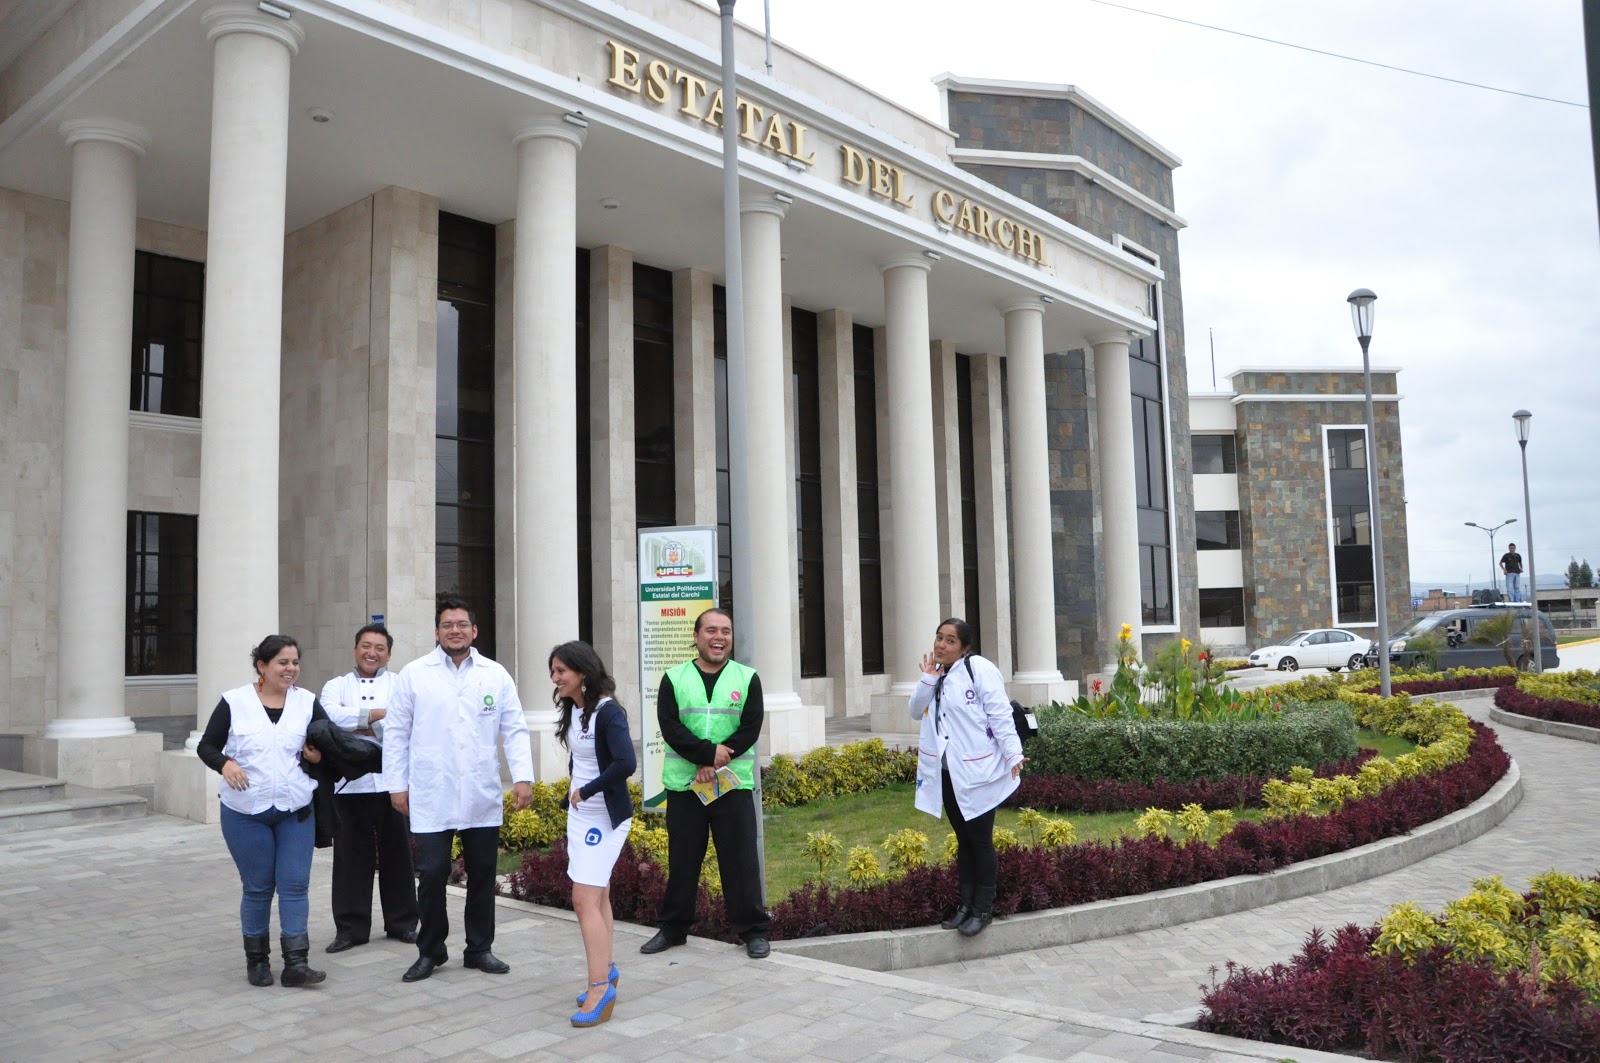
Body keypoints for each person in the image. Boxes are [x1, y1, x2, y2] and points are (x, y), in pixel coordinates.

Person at [384, 598, 534, 983]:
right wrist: (396, 786)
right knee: (432, 874)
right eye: (447, 624)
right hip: (431, 793)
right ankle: (431, 950)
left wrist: (522, 777)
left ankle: (479, 948)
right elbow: (397, 734)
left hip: (480, 794)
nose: (455, 630)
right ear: (437, 632)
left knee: (483, 873)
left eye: (462, 624)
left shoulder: (495, 674)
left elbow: (513, 729)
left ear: (474, 631)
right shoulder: (414, 675)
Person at [197, 634, 330, 987]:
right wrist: (224, 764)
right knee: (258, 887)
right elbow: (206, 746)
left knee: (295, 884)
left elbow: (327, 746)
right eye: (282, 663)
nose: (291, 670)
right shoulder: (234, 701)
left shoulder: (308, 703)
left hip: (295, 809)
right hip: (245, 811)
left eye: (295, 663)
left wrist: (318, 756)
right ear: (262, 666)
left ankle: (296, 964)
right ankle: (257, 961)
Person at [640, 607, 770, 959]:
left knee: (740, 861)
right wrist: (704, 756)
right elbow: (670, 727)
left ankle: (753, 930)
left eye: (725, 631)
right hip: (685, 786)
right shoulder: (674, 678)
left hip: (732, 785)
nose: (719, 637)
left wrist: (716, 759)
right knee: (683, 860)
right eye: (711, 630)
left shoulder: (747, 678)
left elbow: (750, 727)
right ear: (696, 637)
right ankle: (673, 928)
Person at [908, 617, 1025, 937]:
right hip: (948, 773)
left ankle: (982, 909)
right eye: (938, 638)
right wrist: (926, 680)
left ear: (964, 647)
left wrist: (1014, 754)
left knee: (980, 840)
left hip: (979, 773)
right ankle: (965, 906)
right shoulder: (937, 674)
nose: (941, 645)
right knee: (963, 840)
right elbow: (915, 711)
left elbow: (1000, 714)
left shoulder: (980, 669)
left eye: (949, 640)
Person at [550, 641, 636, 1028]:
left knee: (583, 898)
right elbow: (581, 757)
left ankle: (600, 987)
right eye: (553, 672)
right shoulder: (574, 708)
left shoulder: (608, 712)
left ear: (582, 673)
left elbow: (626, 763)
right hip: (581, 817)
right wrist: (576, 791)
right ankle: (608, 968)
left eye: (561, 672)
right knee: (597, 894)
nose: (555, 679)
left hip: (604, 818)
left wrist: (586, 790)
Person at [318, 623, 418, 953]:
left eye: (379, 647)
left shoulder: (402, 683)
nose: (371, 652)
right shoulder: (335, 686)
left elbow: (403, 724)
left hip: (393, 783)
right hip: (349, 785)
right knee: (349, 859)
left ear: (388, 654)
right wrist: (378, 716)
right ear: (354, 648)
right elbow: (330, 719)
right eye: (365, 645)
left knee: (398, 855)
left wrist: (356, 726)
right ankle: (350, 929)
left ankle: (403, 923)